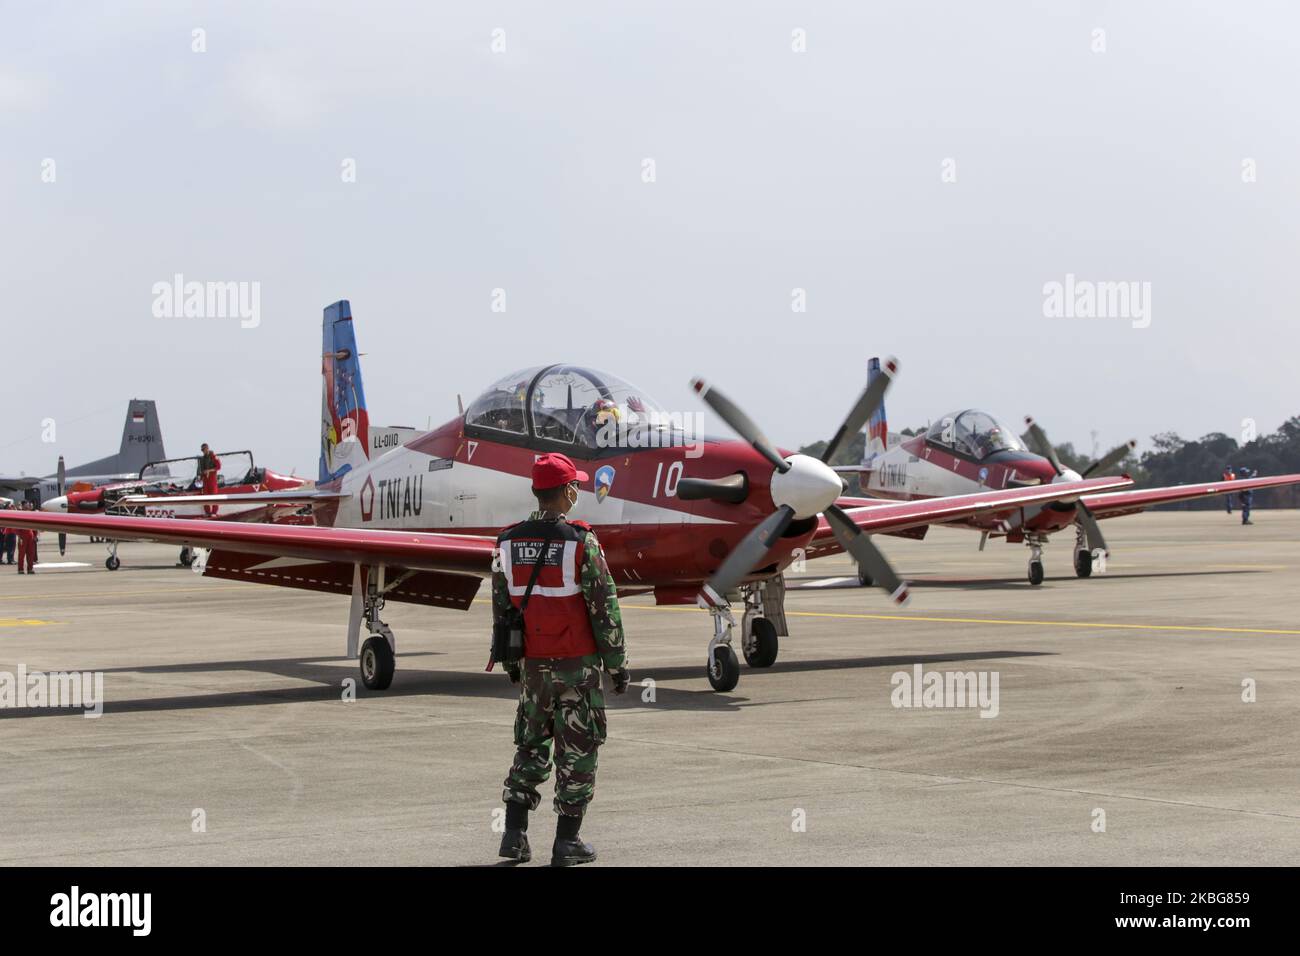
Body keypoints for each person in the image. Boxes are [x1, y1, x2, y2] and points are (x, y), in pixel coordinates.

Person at [493, 452, 629, 867]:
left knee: (531, 746)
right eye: (577, 486)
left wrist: (511, 662)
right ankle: (567, 842)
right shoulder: (581, 541)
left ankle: (513, 836)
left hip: (533, 666)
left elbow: (502, 609)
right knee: (578, 751)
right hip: (578, 667)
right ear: (568, 491)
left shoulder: (507, 542)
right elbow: (604, 607)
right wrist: (617, 662)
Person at [198, 444, 221, 516]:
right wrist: (200, 478)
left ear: (207, 448)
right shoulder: (202, 459)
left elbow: (218, 467)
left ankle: (214, 512)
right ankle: (207, 512)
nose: (203, 451)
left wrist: (209, 471)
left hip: (212, 478)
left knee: (214, 495)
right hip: (205, 479)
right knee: (205, 496)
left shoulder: (214, 457)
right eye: (202, 450)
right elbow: (201, 471)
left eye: (204, 449)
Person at [15, 503, 37, 574]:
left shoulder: (31, 515)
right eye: (26, 506)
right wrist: (19, 536)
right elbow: (16, 528)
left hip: (30, 536)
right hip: (22, 536)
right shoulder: (20, 515)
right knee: (21, 554)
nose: (28, 507)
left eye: (28, 506)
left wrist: (35, 535)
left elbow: (34, 526)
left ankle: (30, 569)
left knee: (31, 554)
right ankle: (20, 569)